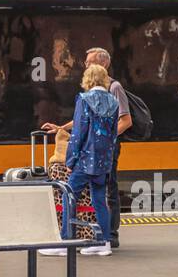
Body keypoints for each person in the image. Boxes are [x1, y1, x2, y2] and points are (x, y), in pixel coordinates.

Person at [42, 46, 132, 248]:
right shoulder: (111, 101)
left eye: (89, 63)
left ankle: (66, 241)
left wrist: (71, 161)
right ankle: (104, 242)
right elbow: (97, 124)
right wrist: (105, 143)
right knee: (99, 198)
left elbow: (81, 132)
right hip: (103, 160)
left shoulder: (85, 99)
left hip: (85, 159)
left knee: (69, 195)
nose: (85, 66)